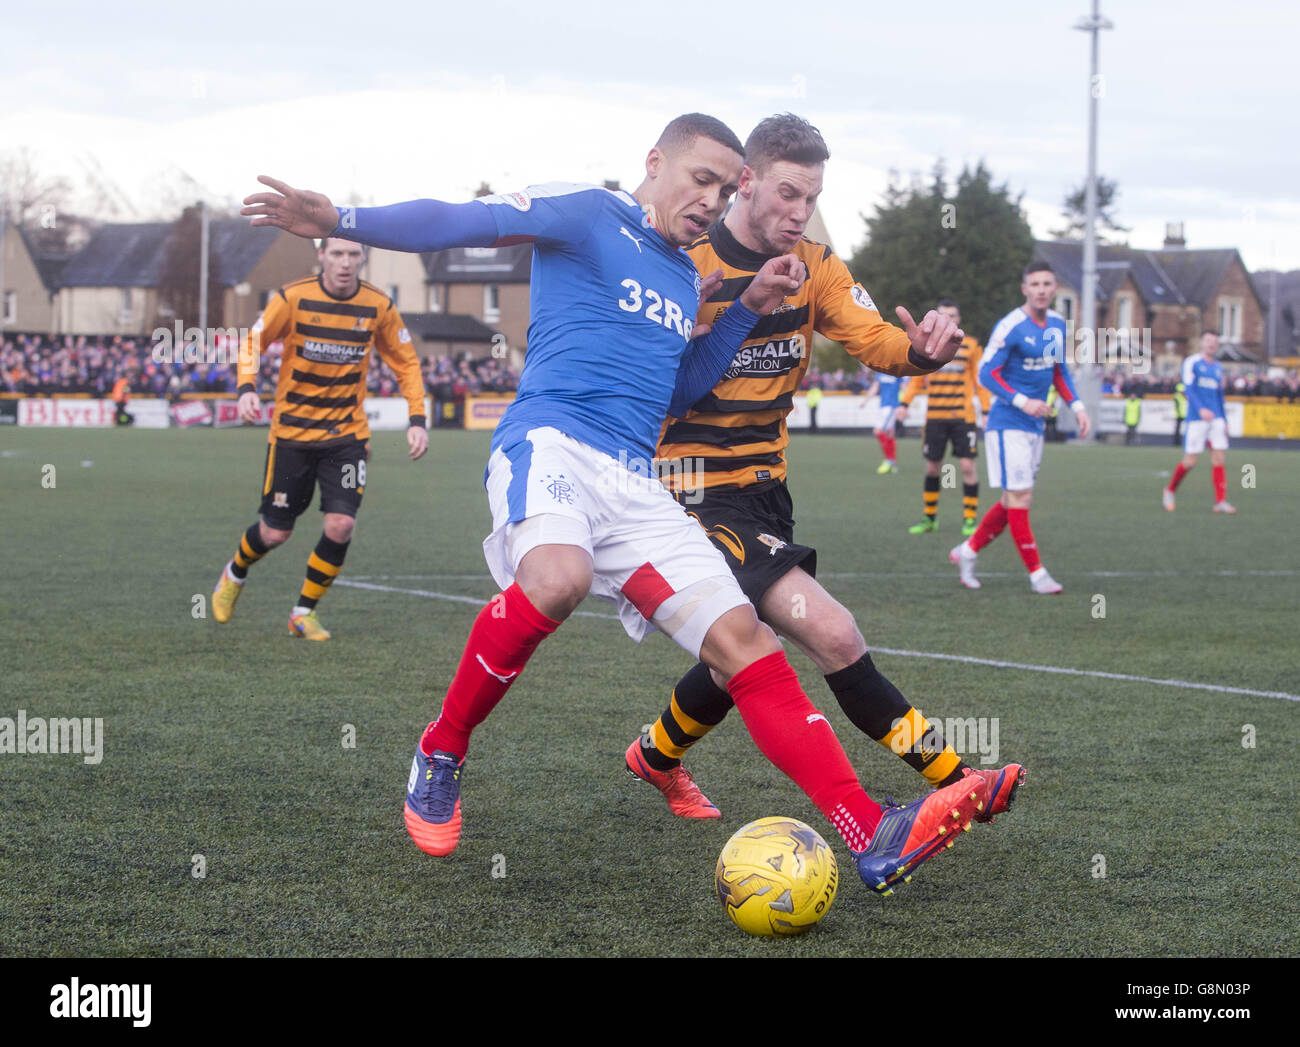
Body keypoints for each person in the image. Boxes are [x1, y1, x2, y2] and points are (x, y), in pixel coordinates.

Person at [242, 112, 989, 896]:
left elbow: (676, 389)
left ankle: (868, 829)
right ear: (654, 162)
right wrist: (340, 219)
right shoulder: (590, 211)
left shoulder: (679, 277)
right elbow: (466, 219)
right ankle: (442, 747)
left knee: (747, 642)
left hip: (636, 482)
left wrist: (739, 312)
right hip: (551, 443)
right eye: (699, 179)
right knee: (557, 579)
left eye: (723, 187)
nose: (709, 199)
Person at [623, 114, 1021, 842]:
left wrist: (923, 353)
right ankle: (958, 780)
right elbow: (641, 367)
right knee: (832, 631)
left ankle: (654, 755)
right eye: (787, 194)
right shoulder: (686, 260)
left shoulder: (818, 267)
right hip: (688, 495)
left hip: (766, 492)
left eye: (811, 197)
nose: (799, 212)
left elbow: (875, 340)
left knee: (728, 661)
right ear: (745, 182)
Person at [209, 237, 430, 641]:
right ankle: (234, 573)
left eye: (353, 255)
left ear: (362, 259)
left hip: (346, 437)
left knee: (341, 524)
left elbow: (406, 362)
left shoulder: (379, 306)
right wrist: (245, 387)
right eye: (337, 254)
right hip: (292, 434)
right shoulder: (292, 298)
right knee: (275, 533)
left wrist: (417, 417)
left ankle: (302, 612)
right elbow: (253, 341)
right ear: (321, 256)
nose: (345, 263)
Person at [949, 260, 1092, 593]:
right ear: (1025, 289)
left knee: (1012, 498)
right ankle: (1037, 574)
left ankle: (967, 551)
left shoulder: (1057, 324)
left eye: (1047, 284)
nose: (1041, 290)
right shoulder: (1010, 325)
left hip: (1034, 426)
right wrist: (1021, 401)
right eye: (1035, 284)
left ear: (1054, 289)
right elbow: (986, 373)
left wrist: (1078, 406)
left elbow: (1059, 372)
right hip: (1007, 423)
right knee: (1021, 496)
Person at [897, 298, 989, 536]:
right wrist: (905, 403)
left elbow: (980, 381)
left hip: (963, 417)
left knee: (967, 467)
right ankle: (930, 519)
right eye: (943, 315)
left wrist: (987, 411)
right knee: (933, 468)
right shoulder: (928, 346)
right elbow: (917, 378)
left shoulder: (971, 346)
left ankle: (969, 520)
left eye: (952, 316)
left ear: (959, 320)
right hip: (935, 418)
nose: (947, 320)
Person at [1163, 331, 1235, 513]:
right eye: (1208, 340)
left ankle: (1220, 501)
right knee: (1190, 462)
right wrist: (1200, 408)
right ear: (1202, 342)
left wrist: (1224, 419)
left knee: (1219, 458)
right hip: (1197, 419)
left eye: (1215, 342)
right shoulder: (1192, 362)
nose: (1211, 344)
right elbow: (1188, 389)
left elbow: (1220, 395)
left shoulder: (1218, 368)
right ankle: (1170, 490)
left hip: (1217, 418)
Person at [871, 371, 901, 473]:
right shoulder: (880, 372)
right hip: (883, 406)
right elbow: (875, 387)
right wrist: (865, 401)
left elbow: (905, 387)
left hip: (892, 407)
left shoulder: (898, 371)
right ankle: (893, 464)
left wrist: (906, 405)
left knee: (877, 431)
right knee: (889, 434)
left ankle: (889, 460)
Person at [1172, 379, 1187, 446]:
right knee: (1177, 430)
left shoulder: (1184, 396)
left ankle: (1184, 442)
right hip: (1179, 415)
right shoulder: (1177, 396)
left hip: (1185, 415)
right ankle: (1177, 443)